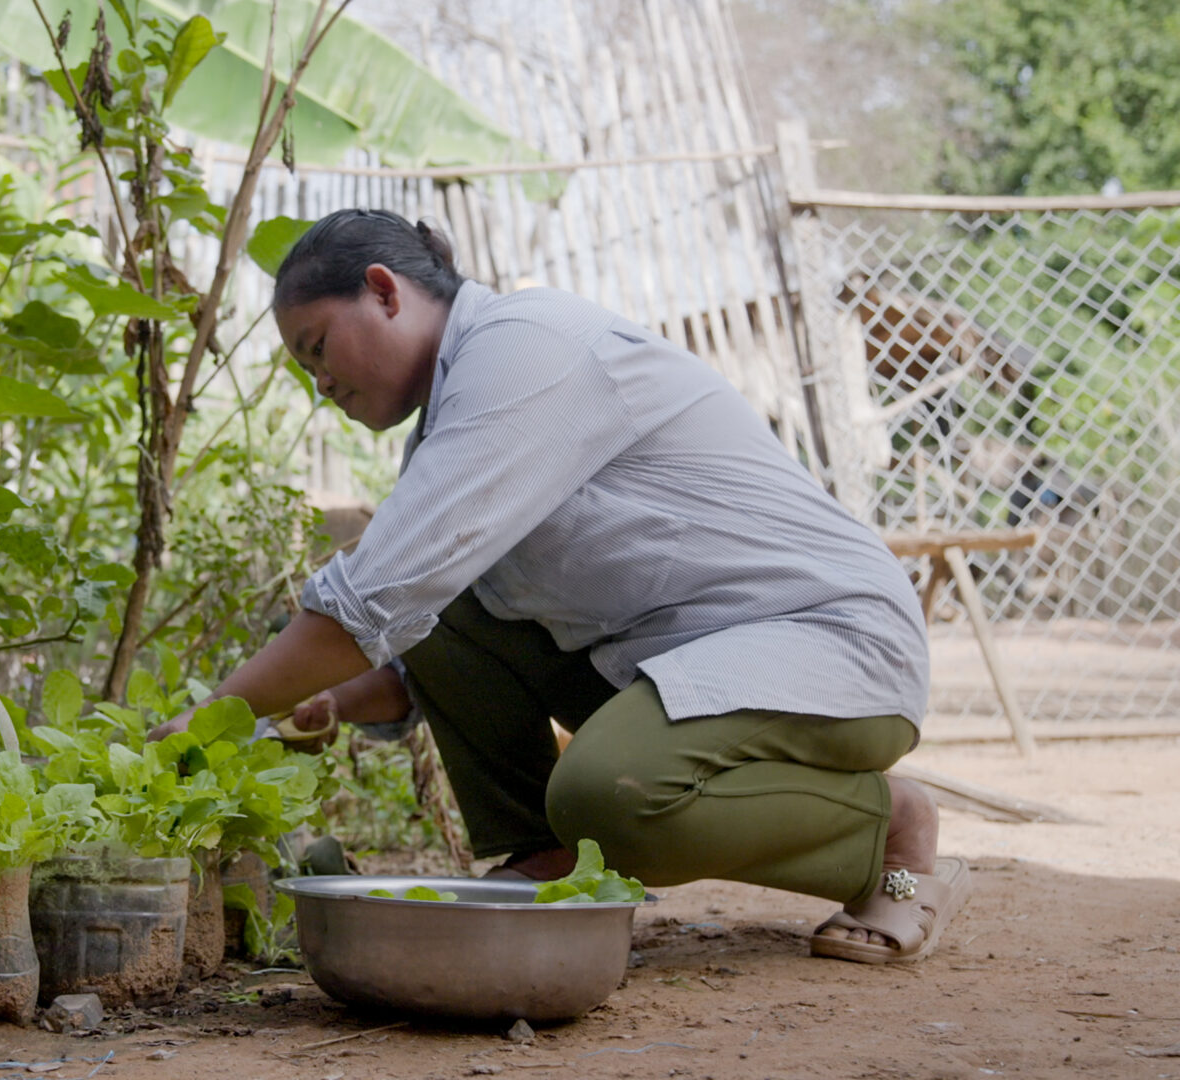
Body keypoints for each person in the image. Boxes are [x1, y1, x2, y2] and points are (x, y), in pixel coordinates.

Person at [151, 208, 968, 965]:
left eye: (318, 347)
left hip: (830, 645)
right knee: (442, 601)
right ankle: (541, 850)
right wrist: (336, 702)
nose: (318, 385)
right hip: (692, 667)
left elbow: (370, 600)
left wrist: (211, 720)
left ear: (383, 291)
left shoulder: (525, 347)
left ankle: (892, 832)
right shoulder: (454, 418)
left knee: (612, 800)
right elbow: (437, 627)